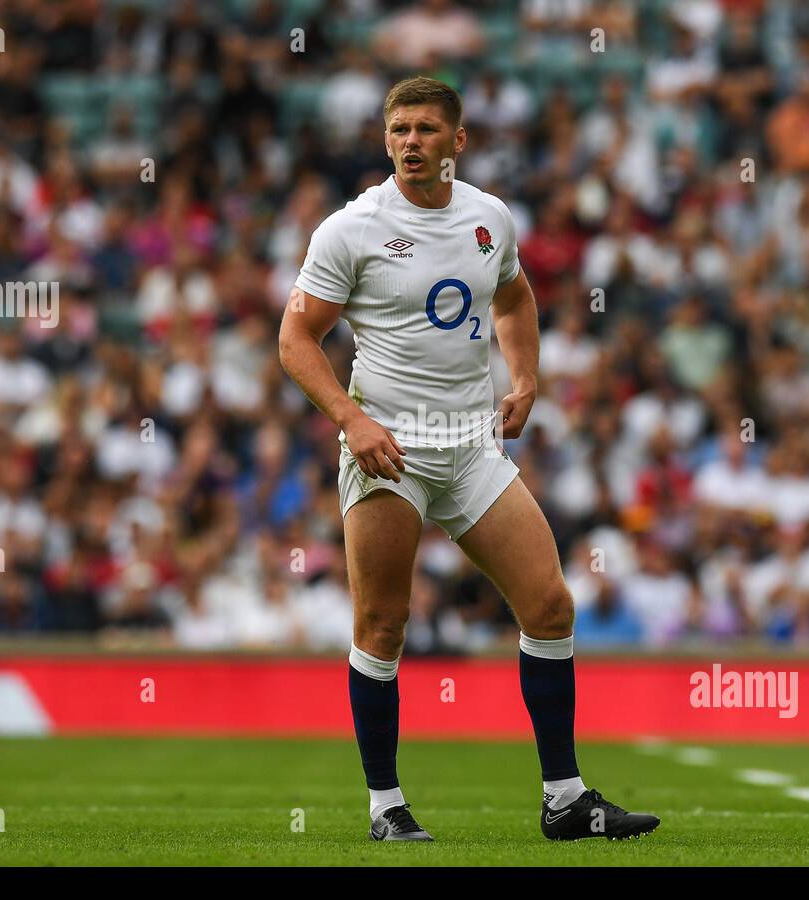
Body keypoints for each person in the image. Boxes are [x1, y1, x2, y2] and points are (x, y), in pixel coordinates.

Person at [278, 77, 658, 843]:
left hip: (471, 445)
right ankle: (386, 808)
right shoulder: (349, 230)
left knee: (550, 606)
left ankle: (565, 799)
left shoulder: (490, 219)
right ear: (384, 140)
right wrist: (351, 422)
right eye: (398, 130)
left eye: (424, 129)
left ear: (458, 141)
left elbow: (514, 300)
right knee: (383, 625)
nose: (410, 142)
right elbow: (295, 341)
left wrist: (524, 379)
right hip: (390, 449)